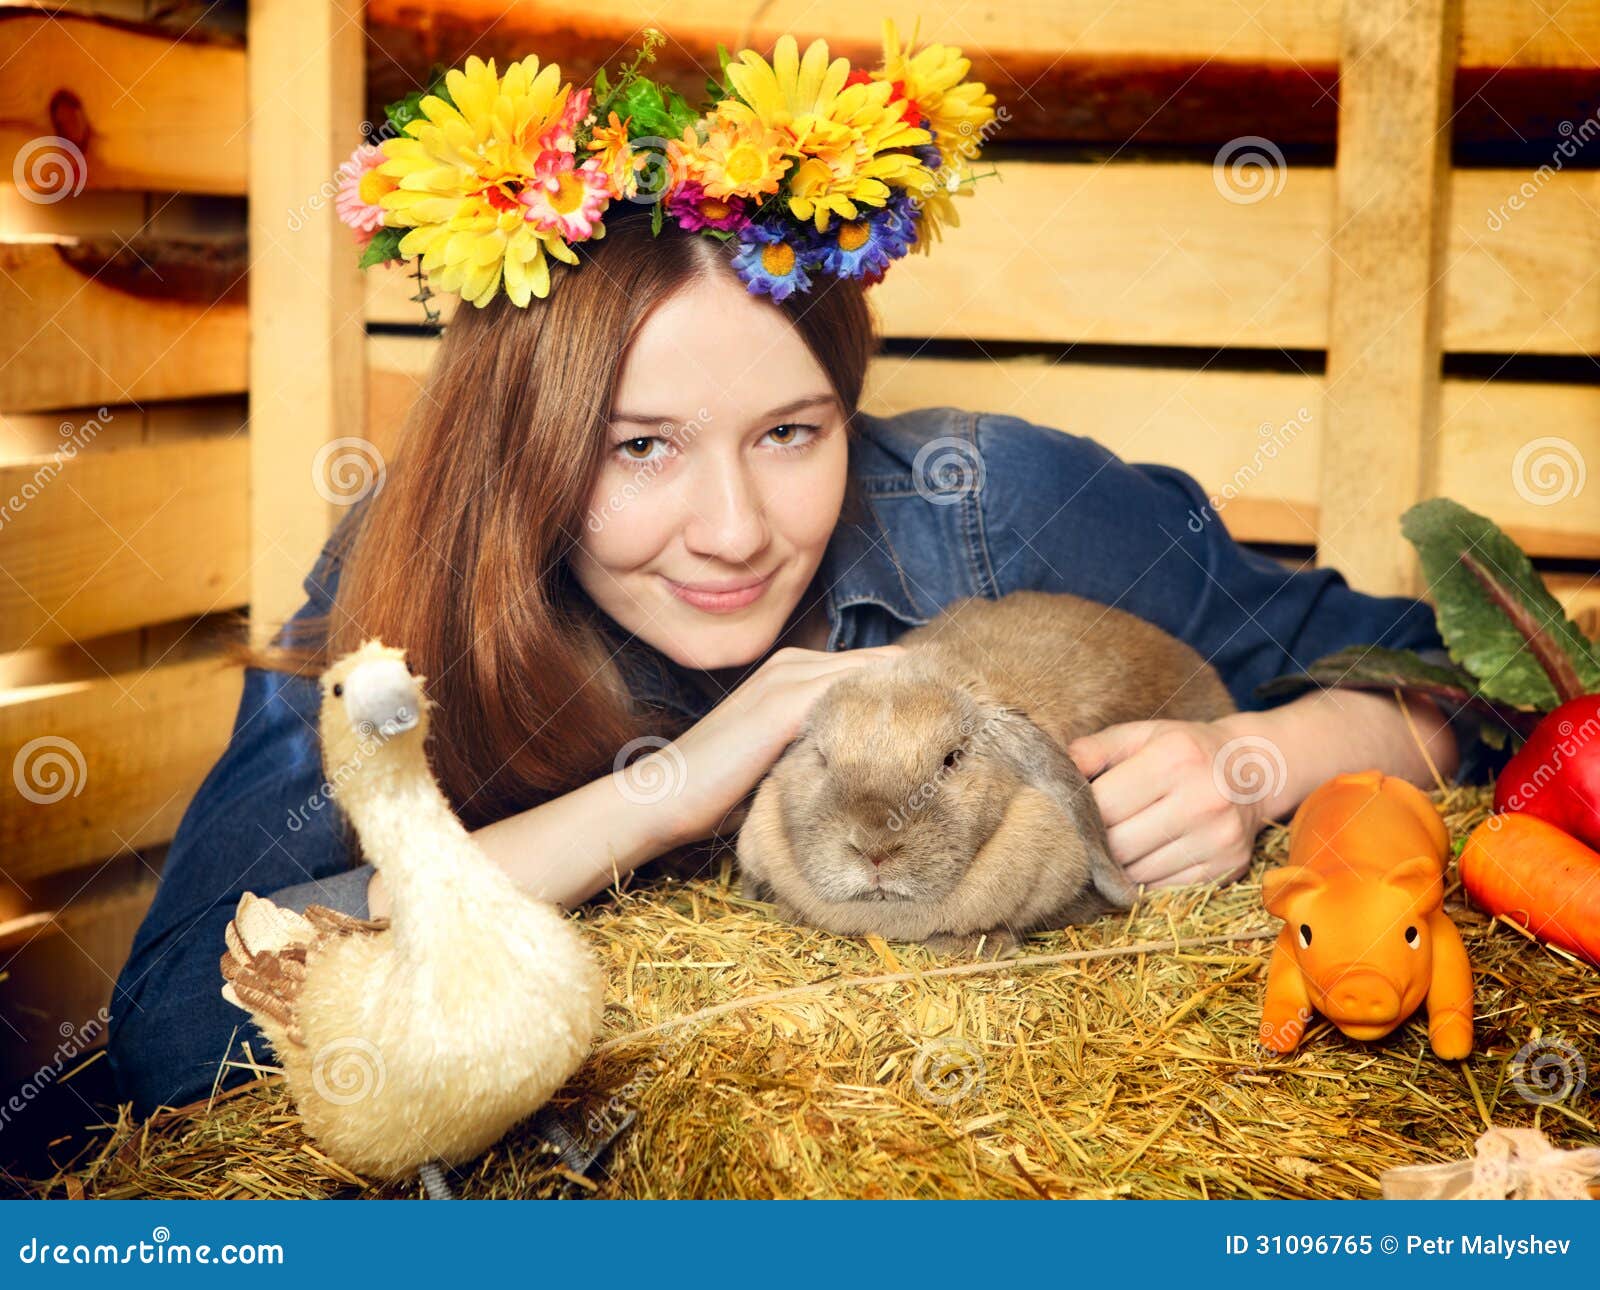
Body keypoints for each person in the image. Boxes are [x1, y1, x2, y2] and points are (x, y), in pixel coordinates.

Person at [106, 39, 1491, 1118]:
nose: (733, 528)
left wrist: (1252, 759)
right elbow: (177, 1022)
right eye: (639, 448)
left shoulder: (994, 502)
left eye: (791, 435)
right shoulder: (409, 580)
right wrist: (669, 792)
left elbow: (1447, 681)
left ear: (851, 402)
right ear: (521, 444)